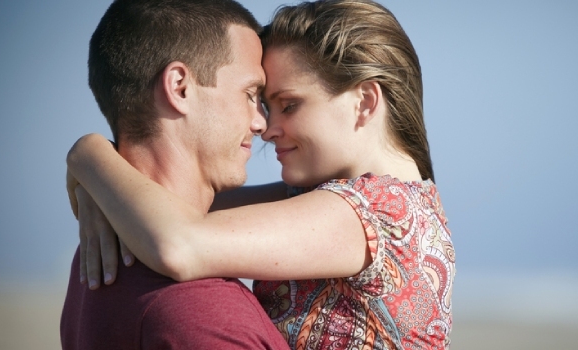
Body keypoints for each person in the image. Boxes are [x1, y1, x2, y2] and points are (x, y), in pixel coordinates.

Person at [67, 0, 455, 348]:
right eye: (262, 103)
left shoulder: (381, 214)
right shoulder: (328, 200)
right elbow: (171, 202)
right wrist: (98, 187)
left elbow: (180, 242)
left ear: (365, 102)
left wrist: (87, 155)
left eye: (289, 105)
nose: (267, 128)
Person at [59, 0, 289, 349]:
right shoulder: (202, 314)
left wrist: (89, 156)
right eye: (250, 94)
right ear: (180, 86)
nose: (261, 123)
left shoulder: (95, 253)